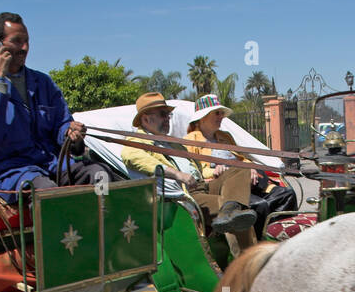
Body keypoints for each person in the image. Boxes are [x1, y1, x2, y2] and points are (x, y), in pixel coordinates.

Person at [0, 11, 110, 194]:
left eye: (27, 41)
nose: (25, 47)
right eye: (17, 41)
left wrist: (69, 132)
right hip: (13, 170)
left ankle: (100, 220)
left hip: (51, 164)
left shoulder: (43, 82)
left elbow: (61, 122)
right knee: (47, 192)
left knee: (101, 174)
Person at [121, 92, 256, 243]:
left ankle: (229, 210)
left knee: (240, 169)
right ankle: (246, 263)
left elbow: (199, 168)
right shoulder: (136, 141)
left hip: (203, 184)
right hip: (186, 194)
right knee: (240, 218)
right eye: (163, 114)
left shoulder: (173, 143)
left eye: (168, 115)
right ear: (146, 118)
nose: (167, 119)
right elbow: (133, 157)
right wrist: (177, 174)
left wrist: (215, 171)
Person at [184, 93, 297, 237]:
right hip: (224, 186)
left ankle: (278, 236)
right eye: (216, 113)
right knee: (260, 205)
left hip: (249, 181)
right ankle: (259, 243)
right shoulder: (190, 141)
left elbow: (242, 158)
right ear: (202, 117)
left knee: (286, 194)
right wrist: (215, 171)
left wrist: (250, 167)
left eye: (222, 113)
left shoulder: (225, 137)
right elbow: (195, 171)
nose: (221, 117)